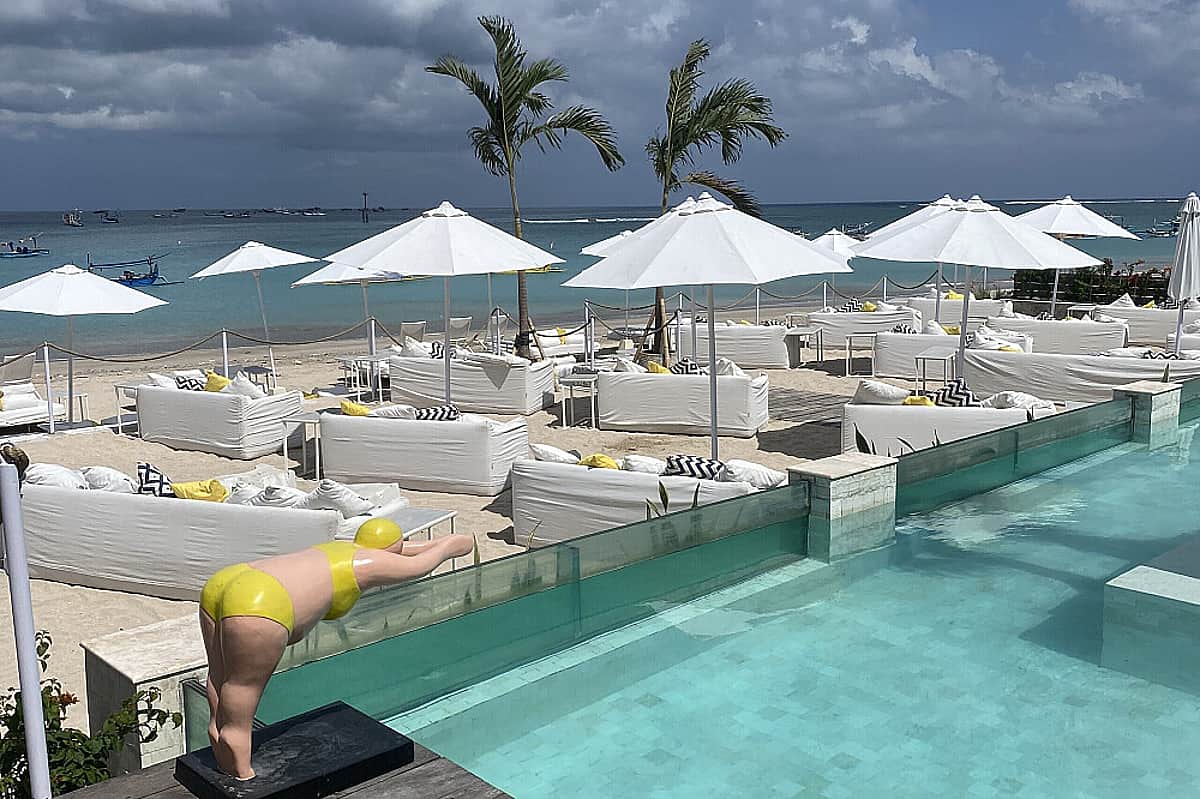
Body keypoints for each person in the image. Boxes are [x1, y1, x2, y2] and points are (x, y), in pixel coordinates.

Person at [199, 519, 474, 779]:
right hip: (263, 599)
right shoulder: (367, 562)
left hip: (228, 579)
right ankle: (241, 768)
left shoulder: (341, 546)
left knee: (220, 675)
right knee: (243, 686)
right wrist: (451, 547)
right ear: (388, 550)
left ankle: (219, 733)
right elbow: (418, 565)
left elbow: (400, 552)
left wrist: (448, 539)